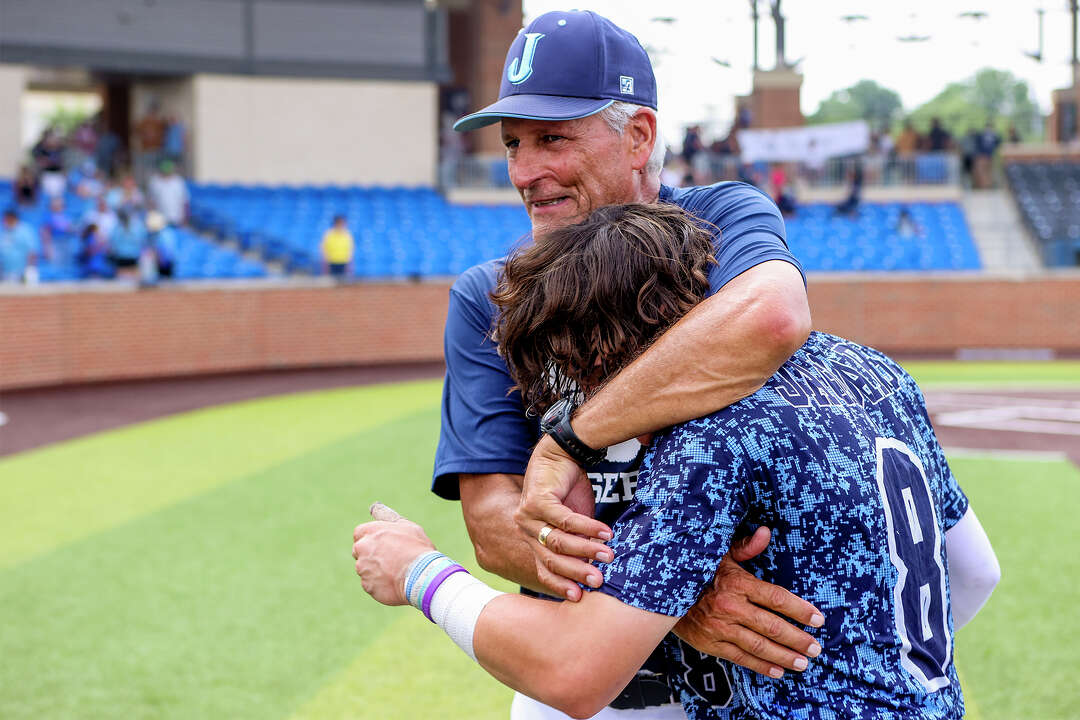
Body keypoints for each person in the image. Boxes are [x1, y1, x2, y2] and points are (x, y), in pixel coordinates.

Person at [354, 203, 1001, 720]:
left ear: (609, 347)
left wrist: (420, 573)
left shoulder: (703, 436)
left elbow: (574, 674)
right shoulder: (872, 370)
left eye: (578, 370)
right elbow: (975, 571)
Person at [441, 9, 815, 719]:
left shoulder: (723, 221)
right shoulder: (488, 294)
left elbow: (773, 317)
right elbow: (491, 522)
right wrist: (670, 588)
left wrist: (570, 439)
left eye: (552, 138)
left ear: (638, 136)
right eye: (514, 142)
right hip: (572, 687)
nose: (524, 172)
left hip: (745, 689)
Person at [0, 208, 39, 283]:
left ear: (12, 218)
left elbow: (32, 252)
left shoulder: (25, 231)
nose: (4, 221)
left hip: (21, 272)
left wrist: (29, 269)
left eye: (6, 219)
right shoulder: (3, 231)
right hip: (5, 272)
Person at [148, 160, 189, 227]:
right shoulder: (155, 181)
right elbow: (151, 201)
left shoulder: (178, 181)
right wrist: (152, 216)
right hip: (160, 218)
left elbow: (184, 201)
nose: (166, 174)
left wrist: (185, 217)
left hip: (177, 217)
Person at [320, 214, 354, 279]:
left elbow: (350, 249)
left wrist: (350, 262)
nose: (341, 225)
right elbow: (324, 248)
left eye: (342, 223)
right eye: (339, 223)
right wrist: (325, 261)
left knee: (343, 282)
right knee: (332, 281)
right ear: (335, 223)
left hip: (343, 262)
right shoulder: (329, 234)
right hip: (332, 262)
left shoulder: (347, 234)